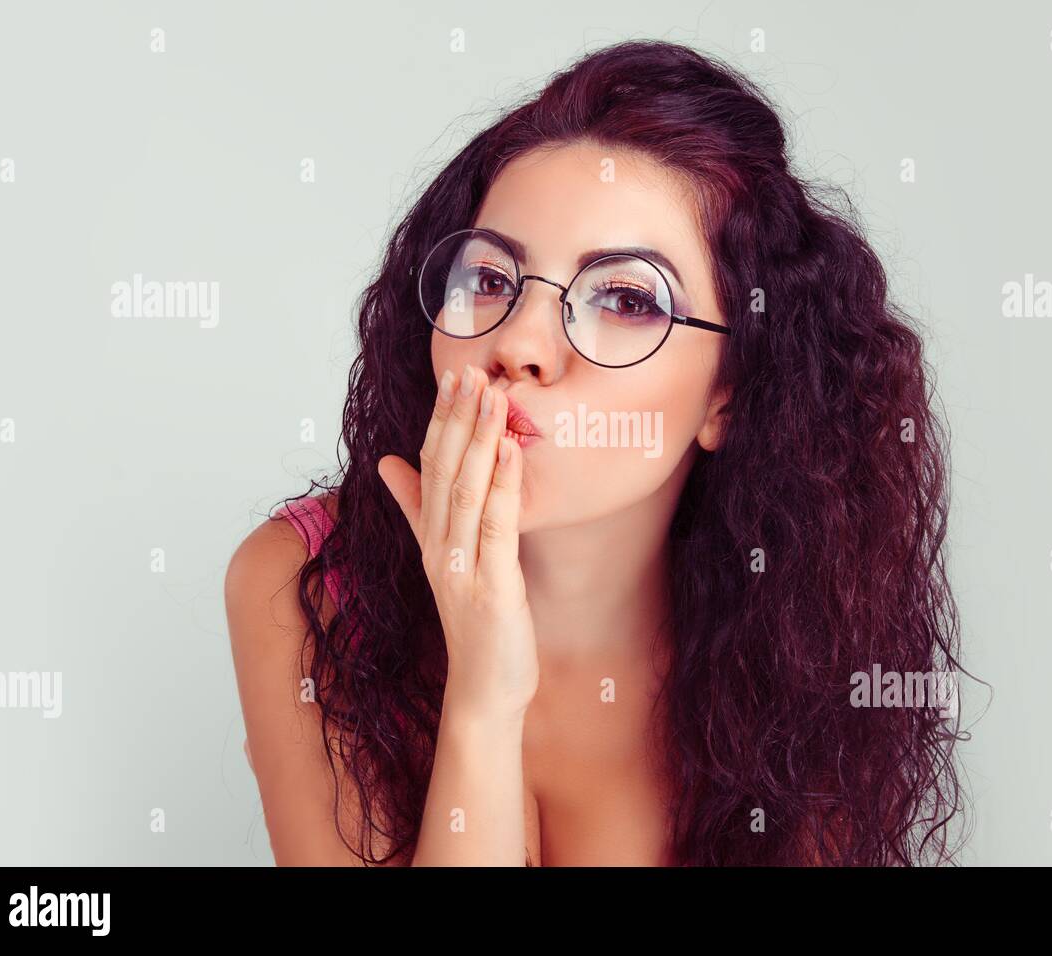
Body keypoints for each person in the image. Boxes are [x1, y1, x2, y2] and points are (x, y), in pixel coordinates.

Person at [225, 39, 967, 866]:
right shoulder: (305, 586)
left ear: (727, 392)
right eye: (494, 279)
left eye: (623, 298)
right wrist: (486, 695)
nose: (520, 345)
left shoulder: (799, 630)